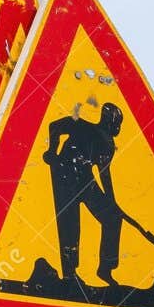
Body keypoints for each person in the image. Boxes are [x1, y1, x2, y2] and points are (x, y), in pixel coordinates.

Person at [41, 102, 124, 284]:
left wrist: (112, 204)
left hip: (85, 182)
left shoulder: (109, 146)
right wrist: (52, 152)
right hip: (64, 178)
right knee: (69, 226)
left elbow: (104, 174)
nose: (117, 128)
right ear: (108, 121)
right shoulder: (82, 126)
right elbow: (54, 126)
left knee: (113, 218)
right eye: (115, 122)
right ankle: (70, 274)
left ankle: (105, 268)